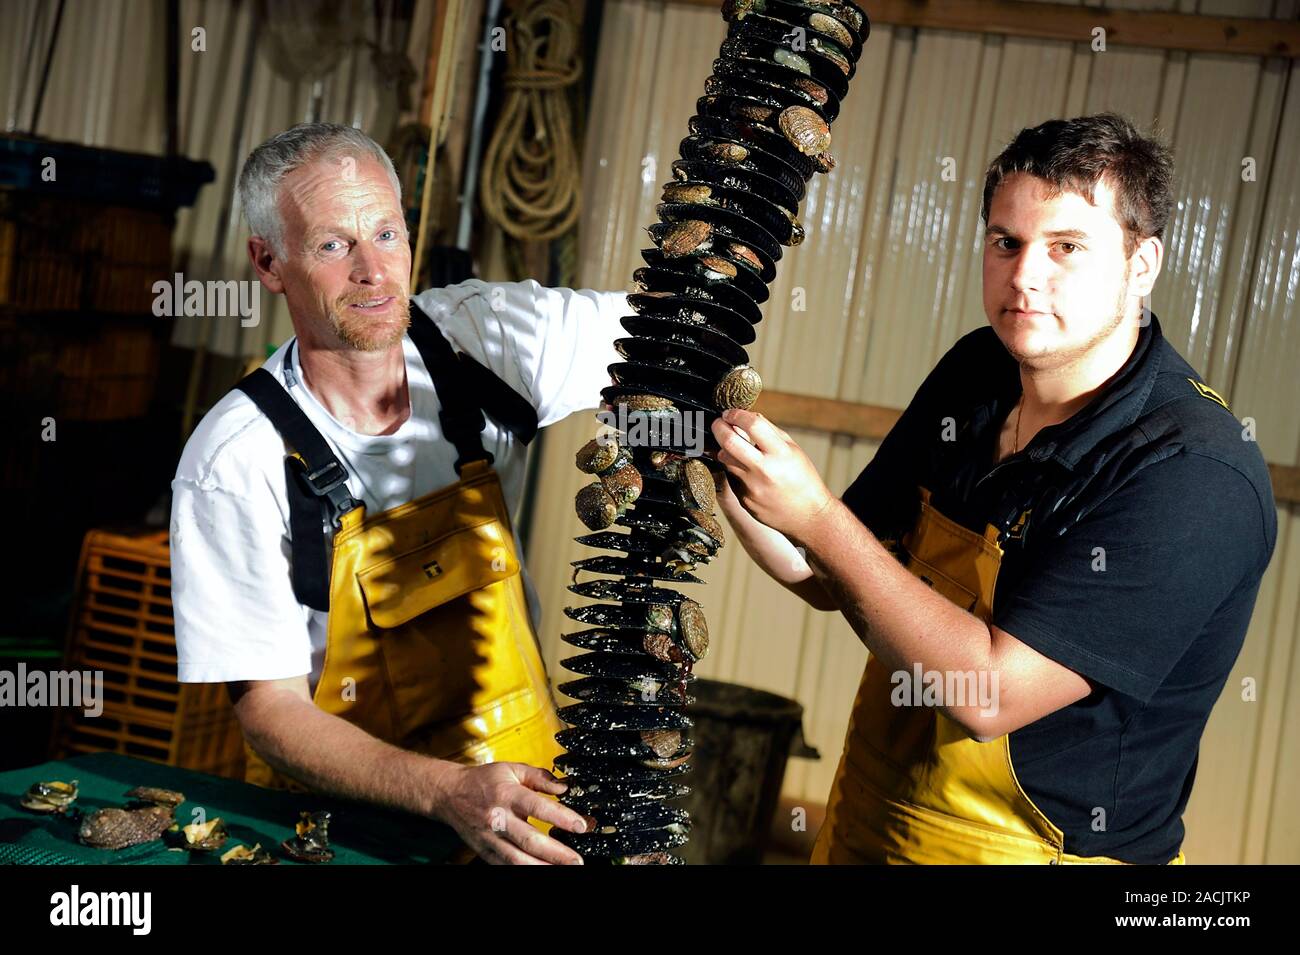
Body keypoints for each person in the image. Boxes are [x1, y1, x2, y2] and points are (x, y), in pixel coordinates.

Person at [711, 113, 1277, 865]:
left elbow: (989, 694)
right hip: (866, 828)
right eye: (1005, 241)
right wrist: (721, 458)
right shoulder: (979, 373)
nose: (1023, 276)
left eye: (1066, 247)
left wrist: (815, 515)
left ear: (1142, 264)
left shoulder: (1194, 475)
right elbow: (824, 569)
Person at [170, 122, 627, 865]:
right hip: (340, 827)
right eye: (331, 245)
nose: (373, 271)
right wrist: (447, 791)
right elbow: (269, 708)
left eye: (387, 233)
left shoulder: (486, 340)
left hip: (525, 805)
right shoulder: (234, 460)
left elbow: (674, 334)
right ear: (268, 261)